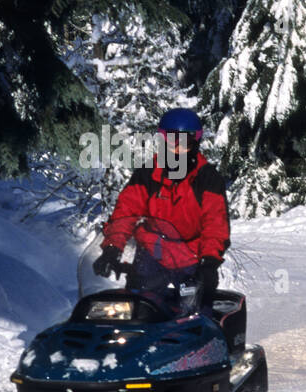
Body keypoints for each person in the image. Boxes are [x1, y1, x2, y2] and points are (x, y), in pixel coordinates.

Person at [92, 108, 230, 303]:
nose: (178, 148)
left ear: (195, 143)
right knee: (136, 308)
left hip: (190, 256)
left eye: (185, 142)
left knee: (194, 313)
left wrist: (209, 262)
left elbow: (215, 224)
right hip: (151, 255)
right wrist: (112, 248)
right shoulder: (148, 174)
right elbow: (126, 212)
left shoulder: (207, 179)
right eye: (172, 140)